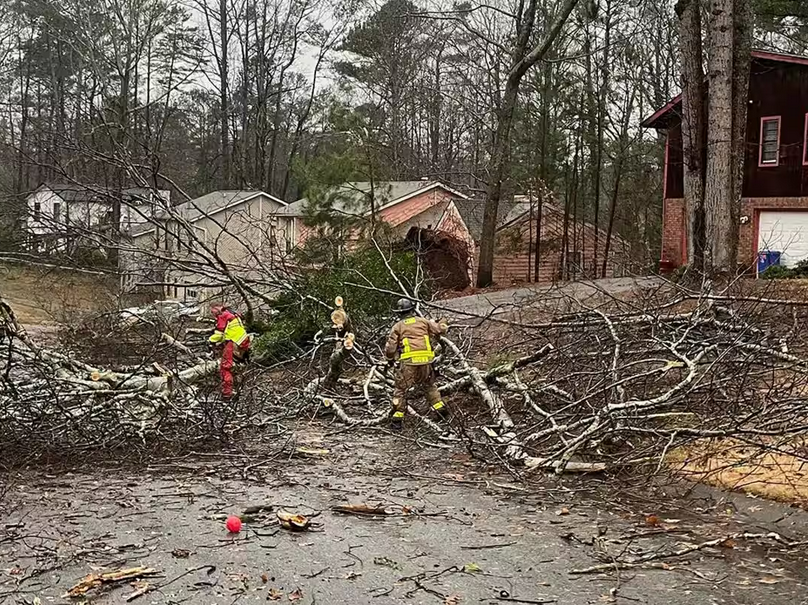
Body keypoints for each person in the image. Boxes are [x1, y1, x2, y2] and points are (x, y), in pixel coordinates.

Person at [384, 298, 448, 430]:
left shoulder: (398, 326)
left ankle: (397, 419)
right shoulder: (423, 321)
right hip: (426, 361)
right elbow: (440, 329)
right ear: (412, 310)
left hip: (408, 362)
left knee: (401, 389)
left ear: (399, 313)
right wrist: (443, 322)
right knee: (429, 385)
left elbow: (390, 348)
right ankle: (441, 410)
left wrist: (390, 359)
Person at [209, 304, 251, 399]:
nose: (213, 315)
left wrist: (210, 340)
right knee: (237, 365)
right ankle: (239, 387)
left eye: (213, 312)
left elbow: (219, 334)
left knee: (225, 367)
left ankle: (227, 393)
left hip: (234, 341)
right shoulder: (232, 314)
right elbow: (226, 333)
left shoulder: (223, 316)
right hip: (243, 340)